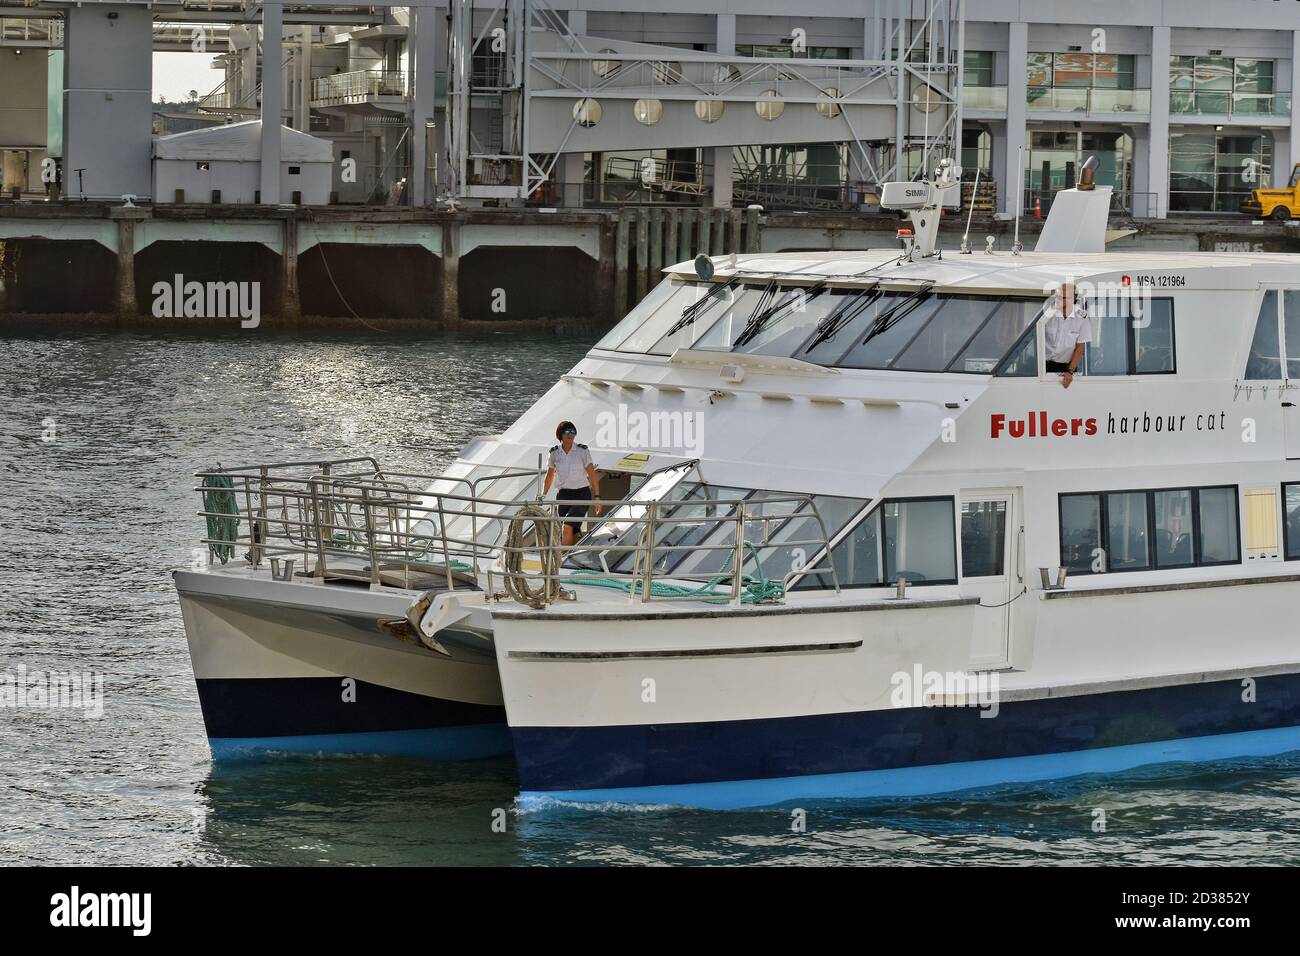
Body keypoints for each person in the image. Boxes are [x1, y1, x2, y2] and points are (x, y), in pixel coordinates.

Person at [542, 421, 602, 548]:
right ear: (560, 435)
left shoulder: (582, 451)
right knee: (572, 530)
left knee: (567, 527)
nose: (570, 435)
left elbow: (592, 475)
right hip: (563, 495)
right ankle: (573, 556)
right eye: (567, 432)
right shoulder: (554, 453)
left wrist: (597, 497)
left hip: (581, 494)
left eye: (573, 432)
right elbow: (549, 476)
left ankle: (561, 560)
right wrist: (543, 495)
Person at [1043, 282, 1092, 389]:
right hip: (1040, 365)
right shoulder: (1047, 314)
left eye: (1061, 297)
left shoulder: (1081, 318)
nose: (1057, 299)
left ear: (1071, 299)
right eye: (1057, 296)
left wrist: (1070, 371)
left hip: (1063, 368)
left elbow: (1080, 347)